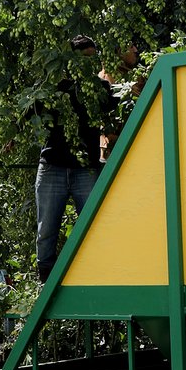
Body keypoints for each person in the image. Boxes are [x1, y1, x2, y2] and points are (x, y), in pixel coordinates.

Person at [34, 35, 110, 281]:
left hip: (85, 169)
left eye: (92, 59)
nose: (89, 65)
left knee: (93, 227)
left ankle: (94, 277)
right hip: (53, 166)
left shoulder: (99, 89)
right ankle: (45, 283)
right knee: (46, 230)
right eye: (83, 59)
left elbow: (114, 109)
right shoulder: (55, 88)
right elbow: (29, 112)